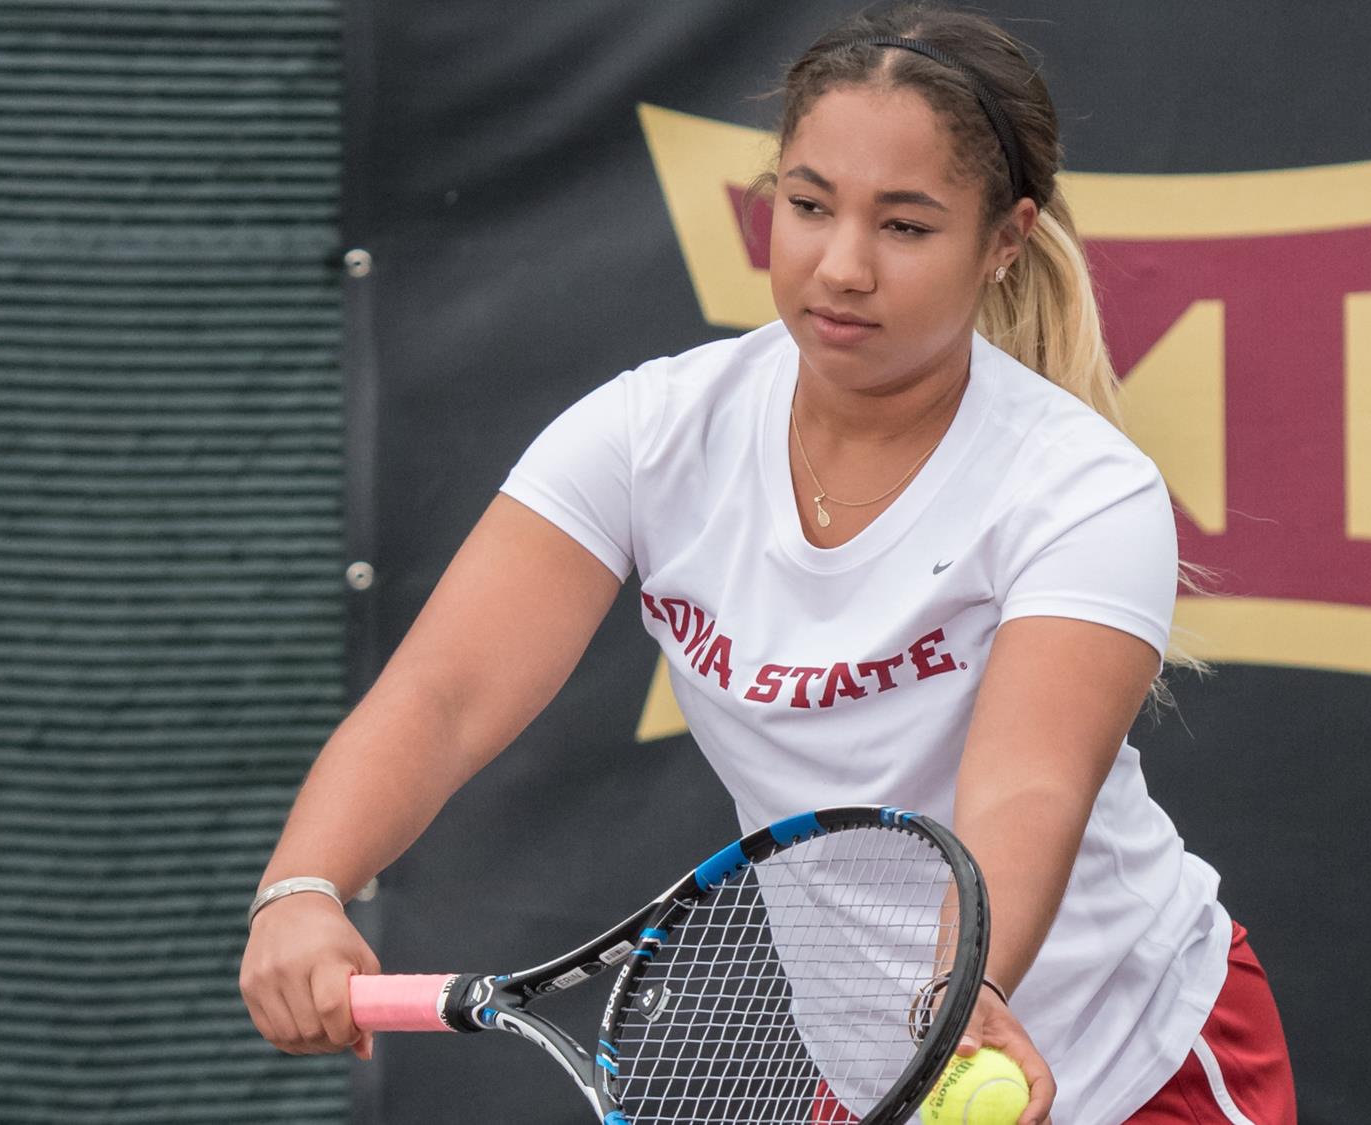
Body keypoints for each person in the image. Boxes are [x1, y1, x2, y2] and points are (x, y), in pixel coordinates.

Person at [239, 5, 1295, 1122]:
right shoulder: (649, 432)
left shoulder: (1082, 488)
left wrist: (964, 995)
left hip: (1133, 1058)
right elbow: (442, 696)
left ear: (1003, 240)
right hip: (885, 1076)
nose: (839, 266)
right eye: (805, 205)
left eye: (904, 226)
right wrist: (302, 888)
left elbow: (1025, 784)